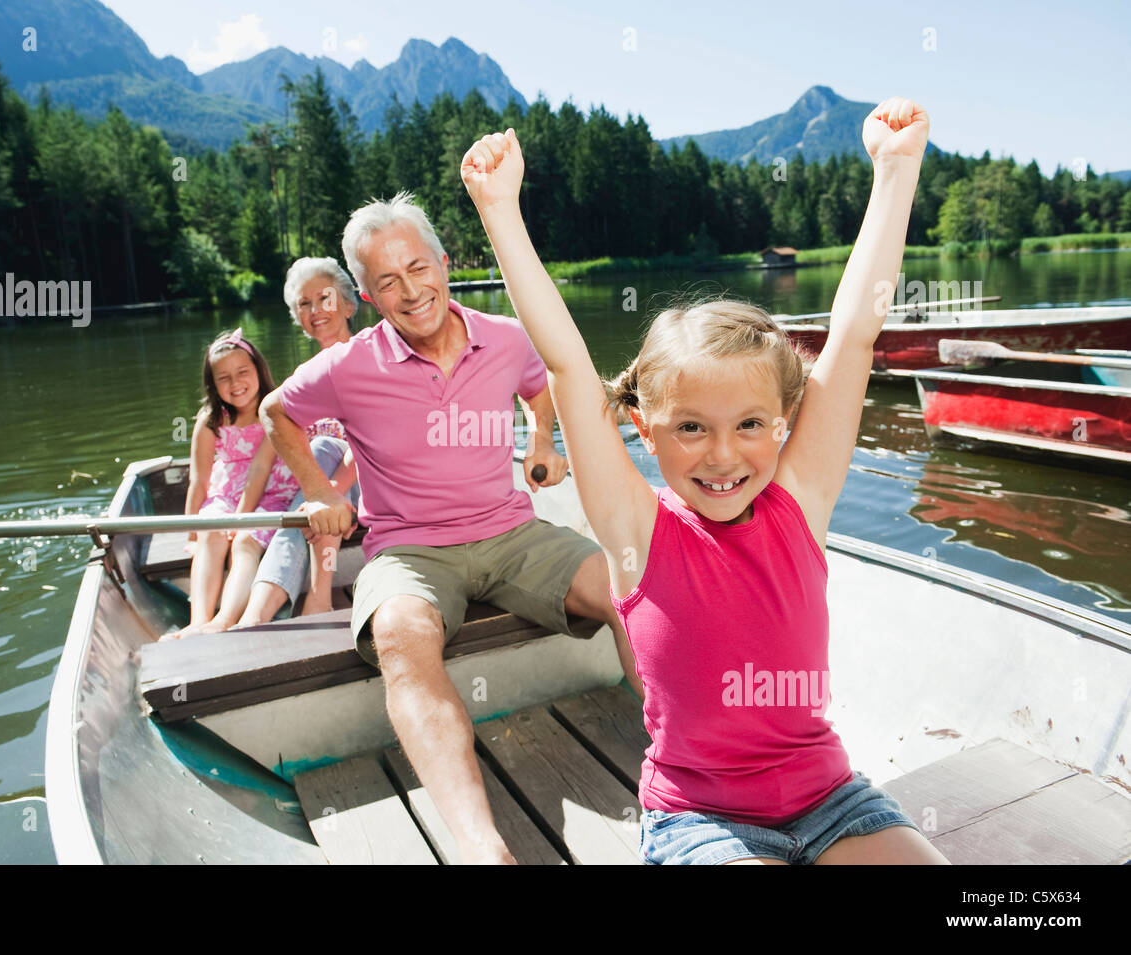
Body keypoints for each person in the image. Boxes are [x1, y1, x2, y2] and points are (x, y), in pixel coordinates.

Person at [460, 98, 950, 865]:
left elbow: (855, 334)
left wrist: (895, 171)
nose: (723, 455)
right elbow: (566, 365)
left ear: (784, 421)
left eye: (750, 423)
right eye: (691, 427)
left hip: (830, 799)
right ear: (645, 427)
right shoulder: (636, 530)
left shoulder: (800, 502)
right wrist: (500, 211)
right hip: (702, 820)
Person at [261, 192, 640, 865]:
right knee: (401, 637)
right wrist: (318, 492)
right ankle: (482, 845)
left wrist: (541, 440)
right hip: (410, 551)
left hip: (513, 535)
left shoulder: (507, 337)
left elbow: (539, 384)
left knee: (629, 586)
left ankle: (698, 760)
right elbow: (274, 411)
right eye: (388, 281)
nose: (411, 291)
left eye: (418, 268)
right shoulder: (347, 365)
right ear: (367, 296)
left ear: (444, 262)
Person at [172, 327, 347, 639]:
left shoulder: (273, 410)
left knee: (244, 542)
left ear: (258, 371)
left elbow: (259, 471)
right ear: (212, 383)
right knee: (210, 534)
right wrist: (192, 533)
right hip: (225, 497)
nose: (235, 383)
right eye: (223, 378)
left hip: (271, 496)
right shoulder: (210, 420)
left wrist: (241, 519)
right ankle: (197, 620)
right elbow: (198, 481)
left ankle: (224, 618)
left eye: (243, 372)